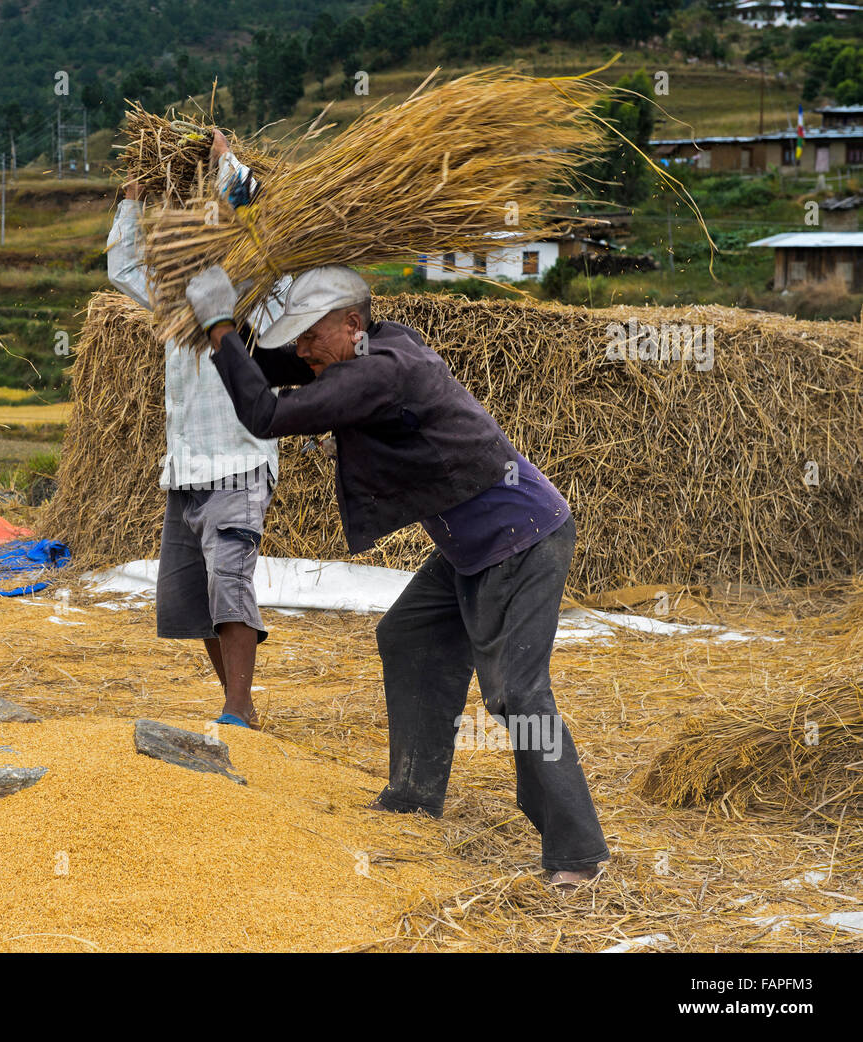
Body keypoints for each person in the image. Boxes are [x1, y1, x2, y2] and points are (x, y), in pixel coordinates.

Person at [184, 263, 609, 887]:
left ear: (353, 323)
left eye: (311, 337)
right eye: (297, 340)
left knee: (517, 694)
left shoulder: (382, 370)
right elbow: (272, 369)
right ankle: (414, 795)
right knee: (408, 636)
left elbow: (265, 414)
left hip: (521, 537)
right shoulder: (374, 347)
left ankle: (578, 852)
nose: (303, 352)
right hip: (470, 546)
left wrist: (221, 323)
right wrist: (232, 316)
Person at [107, 132, 289, 730]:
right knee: (187, 595)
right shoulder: (172, 295)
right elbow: (123, 265)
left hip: (236, 456)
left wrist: (224, 167)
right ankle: (242, 703)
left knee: (229, 578)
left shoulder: (261, 290)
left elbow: (255, 212)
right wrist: (134, 199)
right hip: (185, 466)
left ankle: (238, 707)